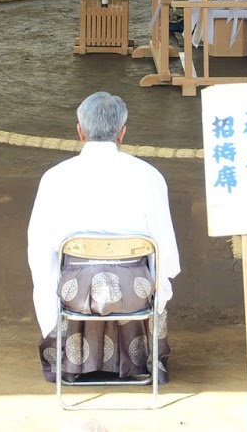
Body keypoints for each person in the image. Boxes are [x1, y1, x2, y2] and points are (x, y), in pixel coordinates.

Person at [25, 91, 180, 385]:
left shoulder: (55, 177)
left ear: (80, 131)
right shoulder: (148, 175)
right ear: (122, 133)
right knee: (152, 277)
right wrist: (158, 290)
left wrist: (49, 299)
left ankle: (71, 363)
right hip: (134, 291)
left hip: (76, 291)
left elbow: (39, 249)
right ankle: (141, 361)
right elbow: (166, 252)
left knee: (53, 269)